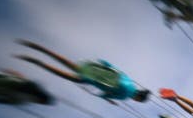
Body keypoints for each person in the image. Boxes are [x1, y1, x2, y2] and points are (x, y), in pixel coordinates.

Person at [15, 40, 149, 103]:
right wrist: (107, 100)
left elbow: (115, 69)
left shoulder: (130, 81)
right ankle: (40, 63)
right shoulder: (124, 97)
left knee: (67, 63)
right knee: (67, 76)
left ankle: (41, 48)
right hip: (91, 79)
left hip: (93, 68)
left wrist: (103, 62)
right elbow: (105, 94)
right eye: (137, 100)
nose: (135, 101)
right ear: (138, 98)